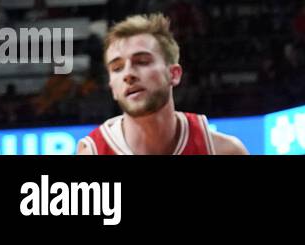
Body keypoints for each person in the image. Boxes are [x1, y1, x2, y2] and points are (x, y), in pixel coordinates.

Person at [77, 13, 247, 154]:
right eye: (117, 68)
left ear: (174, 74)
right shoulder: (94, 151)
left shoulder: (223, 151)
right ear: (112, 88)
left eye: (142, 61)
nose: (128, 74)